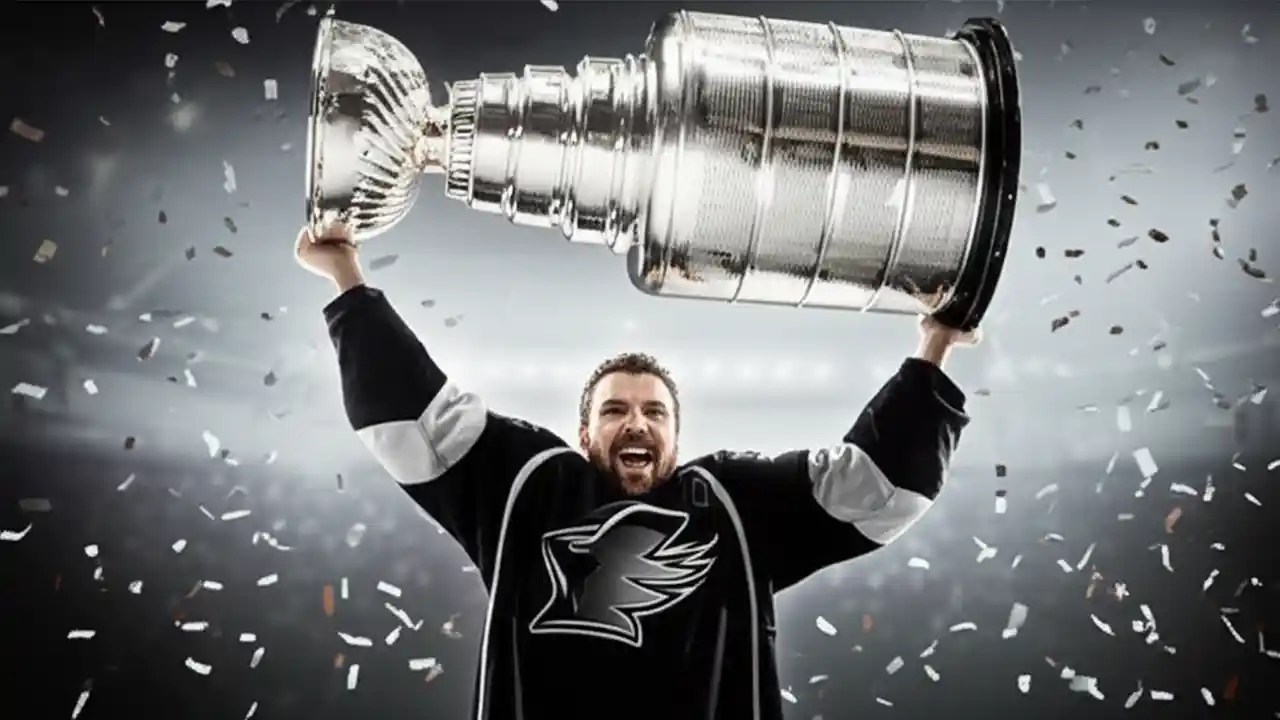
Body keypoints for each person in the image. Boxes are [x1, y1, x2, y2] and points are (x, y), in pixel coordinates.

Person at [295, 225, 980, 720]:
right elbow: (417, 425)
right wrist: (346, 275)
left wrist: (935, 341)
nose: (637, 423)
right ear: (584, 432)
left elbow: (880, 489)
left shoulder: (729, 505)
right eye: (616, 409)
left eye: (655, 412)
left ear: (677, 439)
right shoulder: (530, 487)